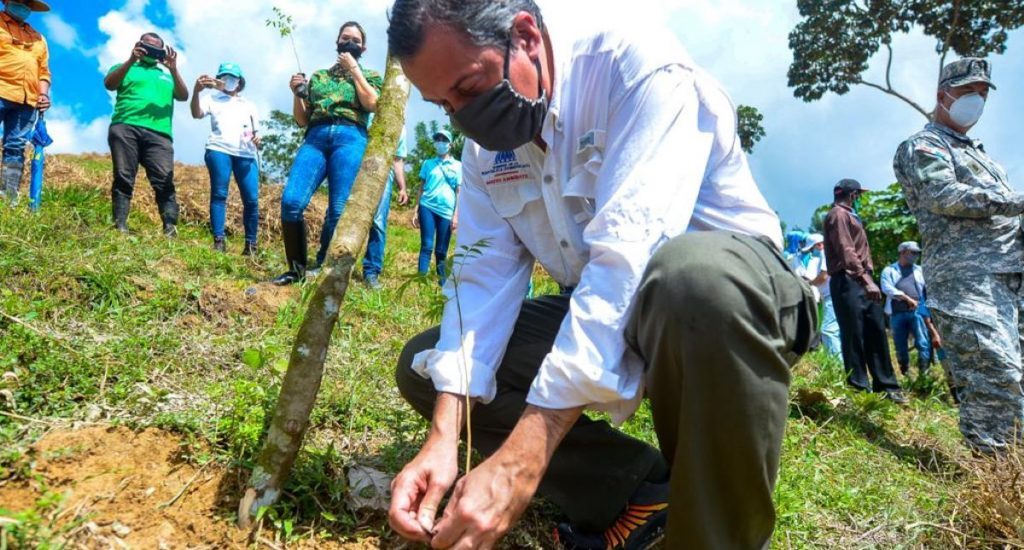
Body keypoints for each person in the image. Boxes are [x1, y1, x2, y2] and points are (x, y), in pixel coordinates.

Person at [385, 2, 817, 548]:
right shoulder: (483, 153)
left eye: (469, 89)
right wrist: (444, 438)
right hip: (613, 302)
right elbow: (482, 281)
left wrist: (523, 458)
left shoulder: (637, 69)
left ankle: (713, 536)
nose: (462, 116)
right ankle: (638, 493)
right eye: (442, 104)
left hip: (734, 298)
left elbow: (628, 261)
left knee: (692, 280)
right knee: (430, 370)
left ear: (525, 36)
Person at [894, 58, 1024, 454]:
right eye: (969, 92)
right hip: (966, 284)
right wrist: (1014, 201)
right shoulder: (923, 146)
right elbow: (942, 194)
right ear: (942, 96)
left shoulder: (983, 156)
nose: (977, 102)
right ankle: (996, 481)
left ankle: (1013, 471)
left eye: (983, 94)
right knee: (995, 374)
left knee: (1015, 378)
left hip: (1010, 279)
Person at [273, 21, 383, 286]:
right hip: (316, 136)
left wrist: (354, 70)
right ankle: (296, 269)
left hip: (351, 136)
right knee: (291, 201)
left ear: (363, 48)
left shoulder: (372, 76)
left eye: (355, 40)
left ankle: (324, 267)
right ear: (337, 42)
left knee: (338, 209)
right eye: (345, 38)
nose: (350, 43)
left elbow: (372, 103)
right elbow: (301, 119)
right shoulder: (320, 77)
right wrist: (296, 93)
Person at [823, 178, 905, 403]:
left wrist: (867, 279)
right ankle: (859, 387)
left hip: (862, 278)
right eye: (859, 195)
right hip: (848, 279)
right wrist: (864, 278)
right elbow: (846, 249)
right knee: (854, 334)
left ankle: (886, 385)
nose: (860, 199)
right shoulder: (838, 215)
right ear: (853, 195)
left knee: (875, 331)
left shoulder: (849, 216)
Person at [103, 32, 188, 236]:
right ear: (138, 45)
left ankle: (170, 228)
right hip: (126, 127)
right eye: (146, 46)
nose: (151, 51)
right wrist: (132, 59)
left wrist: (173, 69)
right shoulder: (124, 67)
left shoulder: (166, 75)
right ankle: (120, 225)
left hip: (160, 133)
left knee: (164, 181)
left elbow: (184, 96)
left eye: (156, 49)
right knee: (124, 176)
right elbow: (109, 84)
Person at [190, 62, 262, 255]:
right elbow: (196, 114)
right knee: (220, 194)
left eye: (231, 77)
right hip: (218, 149)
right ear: (217, 79)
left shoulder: (249, 105)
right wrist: (196, 92)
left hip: (246, 154)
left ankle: (251, 245)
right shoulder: (211, 98)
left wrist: (258, 139)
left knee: (252, 200)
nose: (227, 81)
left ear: (239, 82)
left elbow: (257, 135)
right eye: (223, 77)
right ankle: (219, 240)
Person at [0, 0, 51, 205]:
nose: (23, 5)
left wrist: (43, 95)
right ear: (6, 2)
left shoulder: (38, 38)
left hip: (27, 99)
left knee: (16, 146)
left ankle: (7, 198)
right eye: (18, 0)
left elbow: (44, 71)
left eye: (27, 2)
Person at [361, 127, 409, 289]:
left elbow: (397, 159)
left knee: (378, 221)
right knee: (340, 211)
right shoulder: (365, 111)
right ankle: (331, 262)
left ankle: (371, 271)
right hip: (357, 164)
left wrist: (402, 187)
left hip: (383, 170)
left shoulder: (400, 127)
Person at [411, 130, 459, 283]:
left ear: (450, 144)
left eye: (444, 139)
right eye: (437, 139)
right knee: (426, 245)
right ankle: (421, 280)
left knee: (441, 250)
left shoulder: (458, 166)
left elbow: (460, 192)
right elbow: (421, 187)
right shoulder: (427, 164)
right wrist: (415, 210)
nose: (440, 142)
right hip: (427, 207)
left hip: (446, 211)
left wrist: (456, 215)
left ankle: (442, 282)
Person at [880, 241, 932, 377]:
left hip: (917, 312)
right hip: (897, 313)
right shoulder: (889, 270)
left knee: (923, 342)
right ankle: (905, 374)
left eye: (917, 253)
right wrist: (907, 298)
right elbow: (887, 289)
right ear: (902, 252)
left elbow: (926, 290)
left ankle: (924, 375)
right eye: (913, 252)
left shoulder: (919, 270)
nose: (916, 255)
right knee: (900, 345)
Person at [797, 233, 842, 358]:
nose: (812, 252)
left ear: (819, 245)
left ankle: (836, 364)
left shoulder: (824, 253)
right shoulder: (833, 252)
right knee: (837, 330)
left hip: (830, 296)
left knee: (828, 330)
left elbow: (823, 276)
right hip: (832, 295)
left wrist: (810, 283)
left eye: (812, 249)